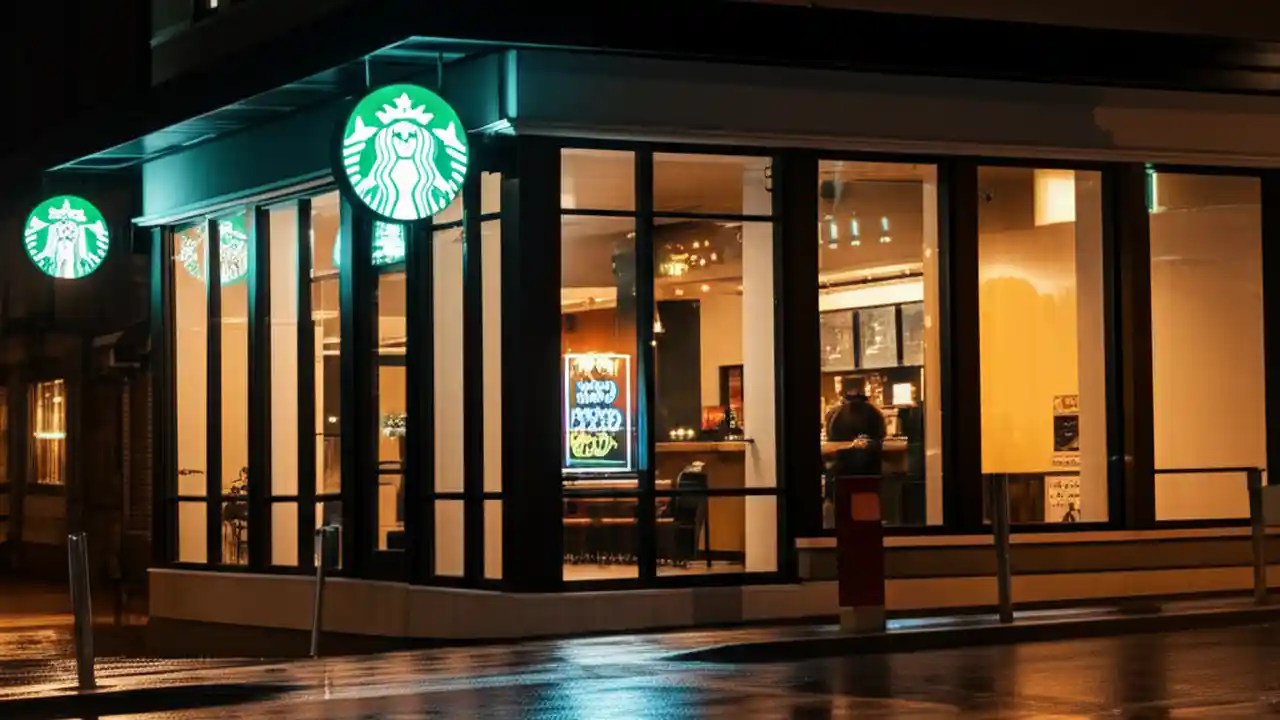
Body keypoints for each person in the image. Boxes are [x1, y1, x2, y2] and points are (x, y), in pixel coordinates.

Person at [823, 382, 887, 502]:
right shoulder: (874, 413)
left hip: (842, 475)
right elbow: (881, 437)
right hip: (870, 474)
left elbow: (830, 442)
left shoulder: (835, 414)